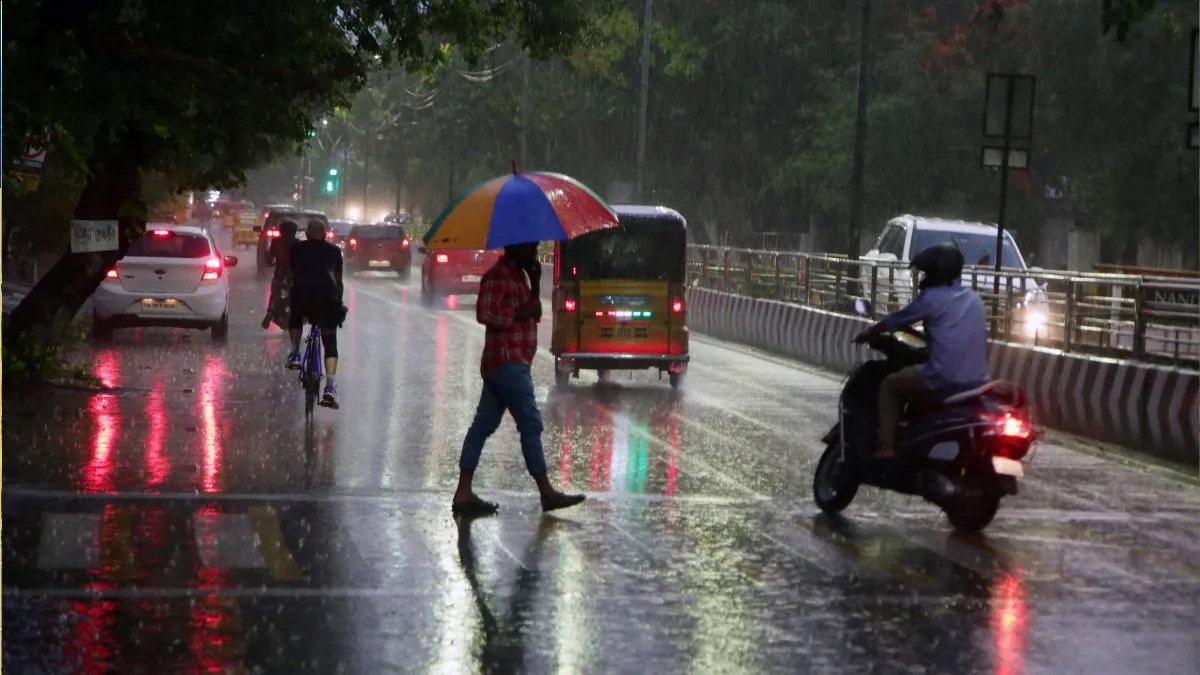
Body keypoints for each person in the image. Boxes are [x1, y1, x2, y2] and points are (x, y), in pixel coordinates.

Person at [452, 242, 585, 516]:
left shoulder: (519, 277)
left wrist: (535, 282)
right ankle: (546, 491)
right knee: (531, 423)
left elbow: (533, 311)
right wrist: (517, 314)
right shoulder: (497, 276)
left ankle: (463, 491)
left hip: (513, 362)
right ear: (516, 248)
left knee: (483, 426)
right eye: (531, 249)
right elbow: (484, 313)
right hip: (507, 362)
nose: (535, 254)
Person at [854, 243, 988, 460]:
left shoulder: (932, 298)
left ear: (935, 273)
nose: (923, 277)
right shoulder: (974, 299)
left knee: (889, 386)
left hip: (942, 377)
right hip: (977, 382)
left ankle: (886, 446)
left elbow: (895, 320)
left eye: (926, 272)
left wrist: (869, 333)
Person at [287, 220, 345, 409]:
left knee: (295, 315)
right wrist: (337, 303)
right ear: (325, 234)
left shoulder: (297, 250)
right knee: (330, 341)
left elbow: (293, 273)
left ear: (308, 234)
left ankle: (295, 353)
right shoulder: (335, 251)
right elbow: (338, 281)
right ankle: (329, 386)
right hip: (326, 301)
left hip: (303, 298)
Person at [261, 220, 299, 330]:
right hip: (287, 277)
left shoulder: (276, 242)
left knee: (275, 296)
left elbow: (270, 258)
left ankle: (270, 314)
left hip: (283, 276)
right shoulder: (297, 243)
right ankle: (271, 314)